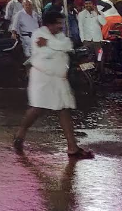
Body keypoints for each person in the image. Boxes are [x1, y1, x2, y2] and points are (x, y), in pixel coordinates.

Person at [13, 11, 94, 159]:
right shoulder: (38, 34)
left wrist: (50, 44)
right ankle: (20, 134)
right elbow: (47, 54)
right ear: (48, 24)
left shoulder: (59, 37)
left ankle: (72, 147)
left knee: (64, 109)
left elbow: (67, 45)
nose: (60, 26)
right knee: (37, 109)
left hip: (59, 79)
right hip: (42, 78)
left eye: (60, 23)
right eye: (57, 23)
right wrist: (56, 47)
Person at [77, 0, 107, 70]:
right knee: (88, 58)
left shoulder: (99, 13)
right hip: (87, 40)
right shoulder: (81, 14)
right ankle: (90, 75)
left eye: (89, 3)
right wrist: (83, 39)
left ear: (93, 4)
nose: (88, 5)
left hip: (98, 40)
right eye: (86, 4)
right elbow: (80, 28)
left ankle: (100, 72)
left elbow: (103, 23)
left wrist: (97, 12)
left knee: (100, 57)